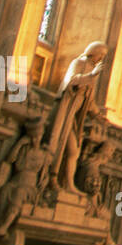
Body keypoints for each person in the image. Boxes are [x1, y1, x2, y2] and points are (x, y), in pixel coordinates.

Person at [46, 42, 107, 195]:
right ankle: (51, 178)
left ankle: (68, 183)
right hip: (65, 112)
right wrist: (91, 75)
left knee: (73, 151)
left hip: (74, 118)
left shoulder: (92, 71)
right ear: (93, 52)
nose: (101, 59)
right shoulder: (78, 63)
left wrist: (98, 116)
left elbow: (90, 100)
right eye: (101, 55)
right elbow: (71, 81)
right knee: (57, 145)